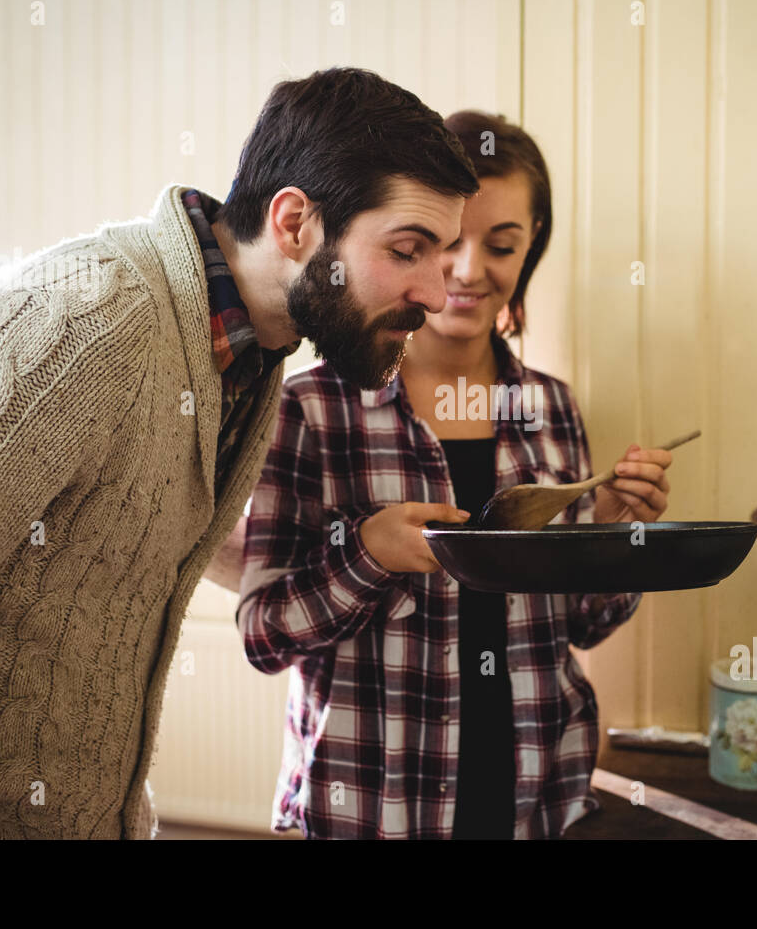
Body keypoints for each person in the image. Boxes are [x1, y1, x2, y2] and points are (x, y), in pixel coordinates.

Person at [0, 67, 477, 839]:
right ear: (295, 224)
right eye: (409, 250)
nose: (439, 294)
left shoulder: (248, 355)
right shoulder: (80, 324)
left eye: (443, 255)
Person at [236, 111, 676, 839]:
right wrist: (367, 555)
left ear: (530, 250)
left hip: (534, 798)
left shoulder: (550, 407)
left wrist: (616, 534)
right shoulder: (313, 408)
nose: (469, 271)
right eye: (445, 243)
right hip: (370, 803)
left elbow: (585, 627)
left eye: (502, 245)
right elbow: (262, 635)